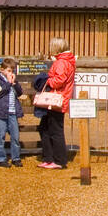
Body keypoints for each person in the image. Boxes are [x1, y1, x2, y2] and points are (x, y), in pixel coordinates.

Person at [36, 37, 76, 169]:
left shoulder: (61, 62)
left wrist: (47, 81)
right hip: (60, 99)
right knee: (47, 128)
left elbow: (59, 80)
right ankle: (50, 158)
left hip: (55, 100)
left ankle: (58, 160)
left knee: (54, 130)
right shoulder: (68, 61)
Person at [0, 57, 25, 168]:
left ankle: (16, 158)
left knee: (15, 136)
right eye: (9, 71)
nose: (11, 73)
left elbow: (19, 93)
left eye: (13, 71)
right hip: (1, 112)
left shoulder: (13, 81)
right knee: (0, 137)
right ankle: (0, 159)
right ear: (3, 70)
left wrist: (14, 84)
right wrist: (8, 84)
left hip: (12, 112)